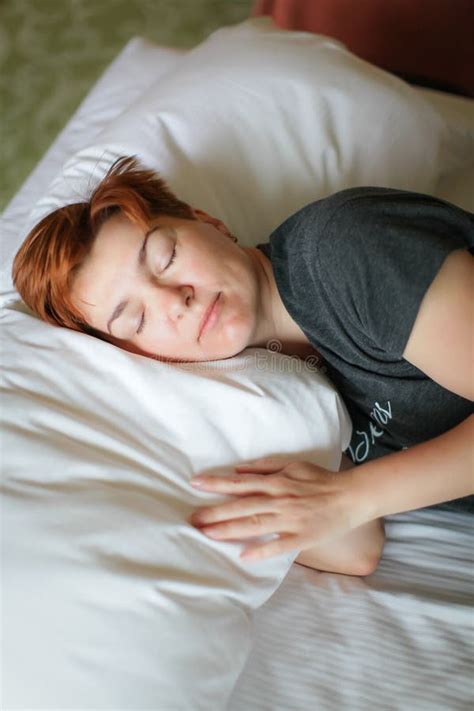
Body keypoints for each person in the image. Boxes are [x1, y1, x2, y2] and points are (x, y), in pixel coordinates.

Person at [12, 155, 473, 576]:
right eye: (136, 318)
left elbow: (349, 514)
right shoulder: (262, 385)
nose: (175, 301)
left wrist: (349, 497)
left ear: (207, 221)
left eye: (165, 256)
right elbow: (356, 550)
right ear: (139, 355)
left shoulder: (342, 247)